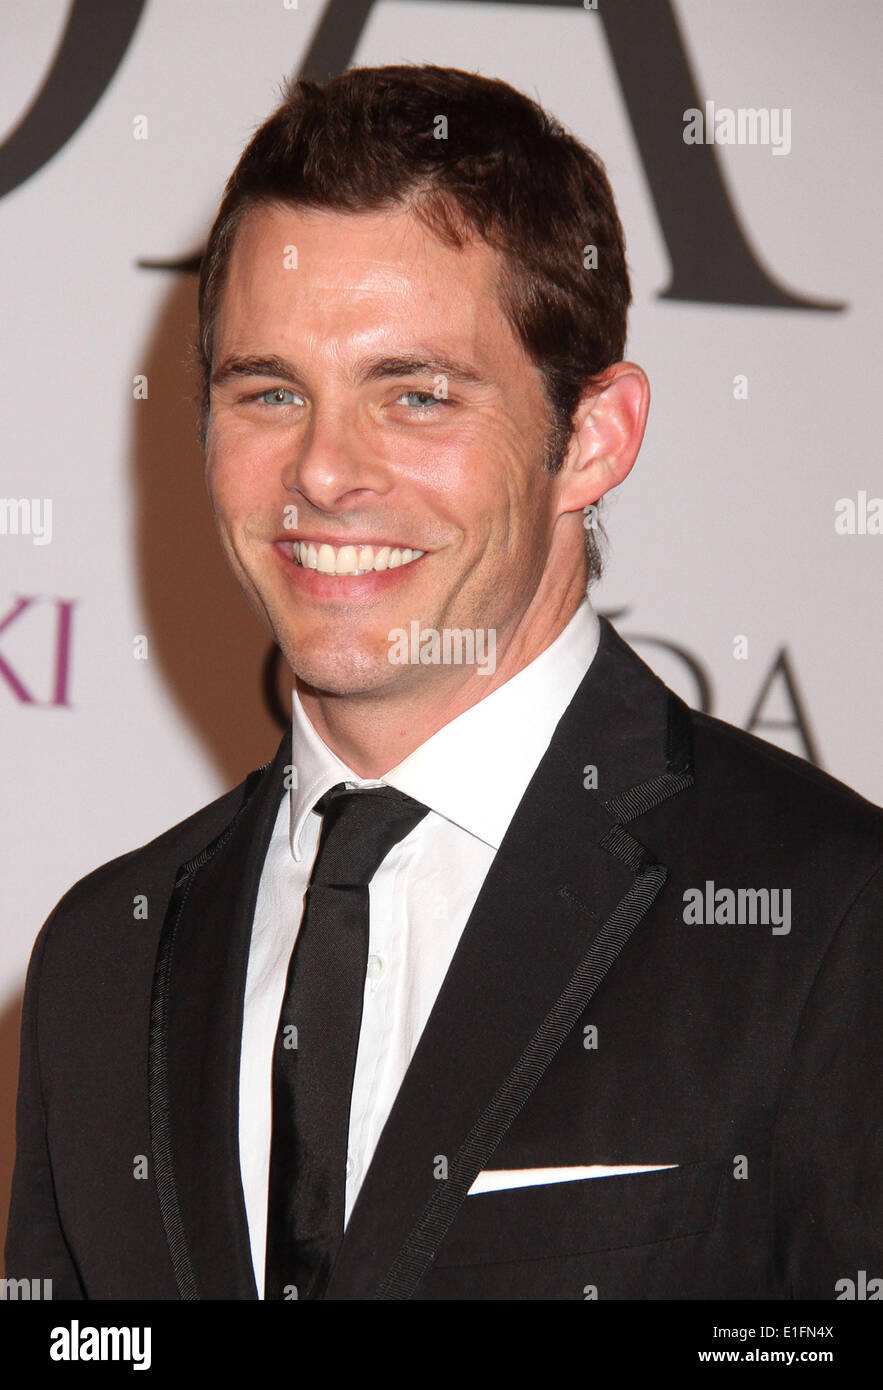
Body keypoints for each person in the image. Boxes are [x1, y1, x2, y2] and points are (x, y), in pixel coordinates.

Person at [6, 63, 882, 1302]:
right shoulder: (104, 956)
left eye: (415, 394)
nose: (321, 473)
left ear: (592, 438)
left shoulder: (828, 916)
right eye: (268, 391)